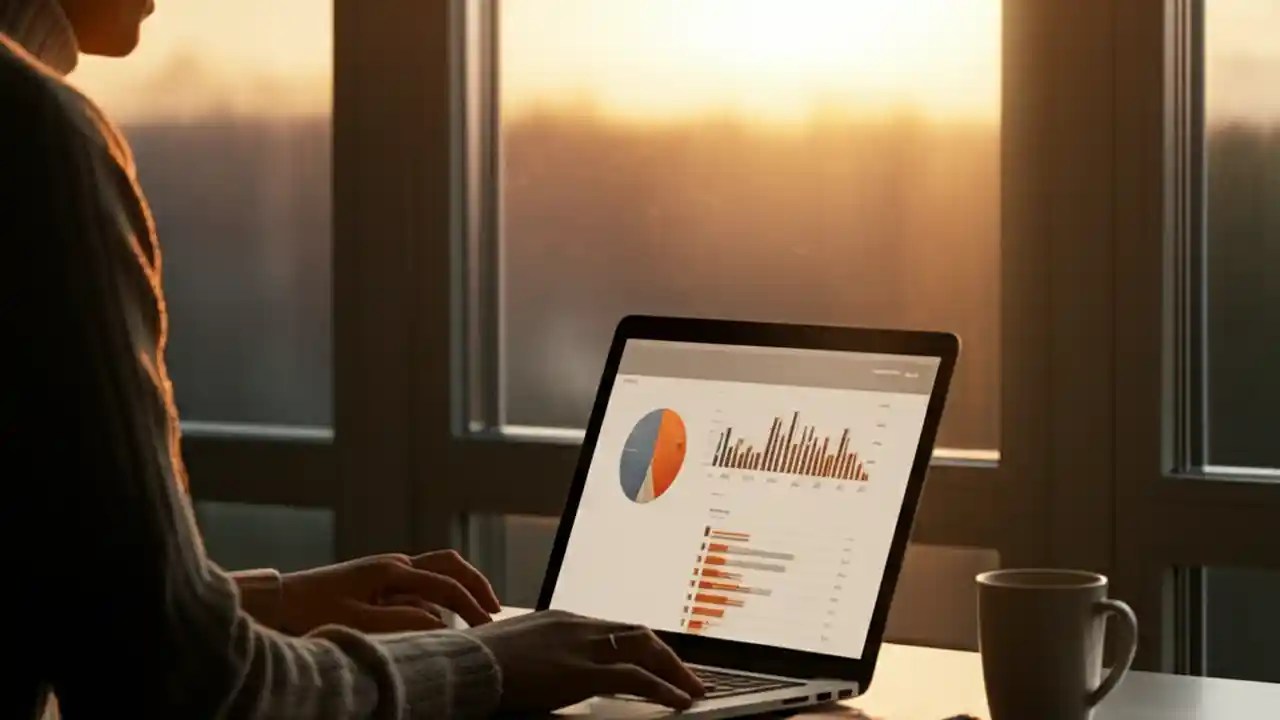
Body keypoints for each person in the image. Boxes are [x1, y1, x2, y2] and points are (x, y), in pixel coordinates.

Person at [0, 0, 705, 717]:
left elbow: (80, 623)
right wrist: (486, 661)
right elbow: (190, 692)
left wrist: (264, 607)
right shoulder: (37, 145)